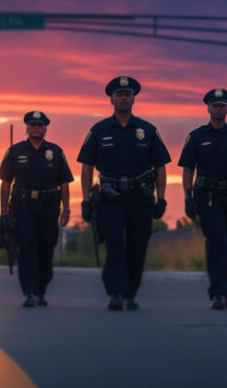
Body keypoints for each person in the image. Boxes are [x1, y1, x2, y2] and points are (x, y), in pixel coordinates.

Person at [78, 76, 171, 311]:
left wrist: (161, 199)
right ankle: (116, 292)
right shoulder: (98, 130)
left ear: (133, 99)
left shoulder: (147, 130)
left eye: (127, 94)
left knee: (138, 246)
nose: (123, 98)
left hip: (140, 198)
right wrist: (86, 200)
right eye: (119, 95)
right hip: (110, 198)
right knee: (115, 244)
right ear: (111, 99)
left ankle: (131, 293)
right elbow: (86, 166)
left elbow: (160, 166)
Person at [178, 88, 227, 310]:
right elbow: (187, 170)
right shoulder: (196, 136)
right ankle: (217, 293)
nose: (219, 108)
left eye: (222, 105)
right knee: (217, 242)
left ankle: (226, 289)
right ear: (208, 108)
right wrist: (188, 198)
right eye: (215, 105)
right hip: (208, 198)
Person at [0, 111, 73, 307]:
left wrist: (67, 210)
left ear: (45, 128)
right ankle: (29, 292)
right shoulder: (15, 151)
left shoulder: (55, 152)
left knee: (45, 249)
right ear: (27, 128)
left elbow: (64, 183)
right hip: (23, 207)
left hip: (49, 207)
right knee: (27, 248)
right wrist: (4, 212)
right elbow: (5, 184)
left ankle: (41, 291)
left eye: (40, 125)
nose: (37, 128)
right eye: (33, 125)